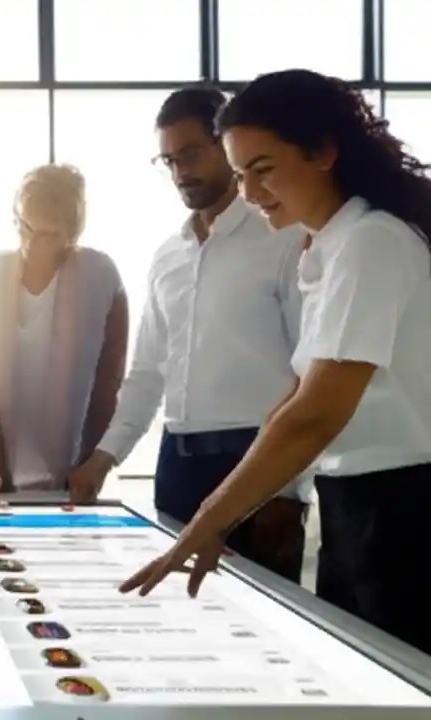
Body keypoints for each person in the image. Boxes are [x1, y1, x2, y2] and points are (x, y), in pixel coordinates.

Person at [122, 70, 431, 656]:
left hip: (402, 509)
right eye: (240, 175)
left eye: (262, 169)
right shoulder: (327, 247)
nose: (249, 191)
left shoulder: (373, 242)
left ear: (322, 151)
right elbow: (290, 401)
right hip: (351, 502)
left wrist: (208, 522)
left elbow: (314, 415)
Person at [68, 86, 311, 583]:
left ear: (227, 145)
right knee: (181, 620)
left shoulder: (284, 239)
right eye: (170, 160)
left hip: (256, 465)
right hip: (175, 468)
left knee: (267, 631)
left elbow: (311, 372)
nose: (180, 171)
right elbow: (146, 374)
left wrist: (290, 491)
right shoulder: (167, 257)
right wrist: (103, 458)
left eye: (192, 154)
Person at [0, 164, 128, 494]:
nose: (31, 242)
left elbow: (108, 383)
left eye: (48, 234)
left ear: (72, 232)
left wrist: (91, 462)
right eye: (25, 227)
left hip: (73, 470)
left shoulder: (100, 275)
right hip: (2, 468)